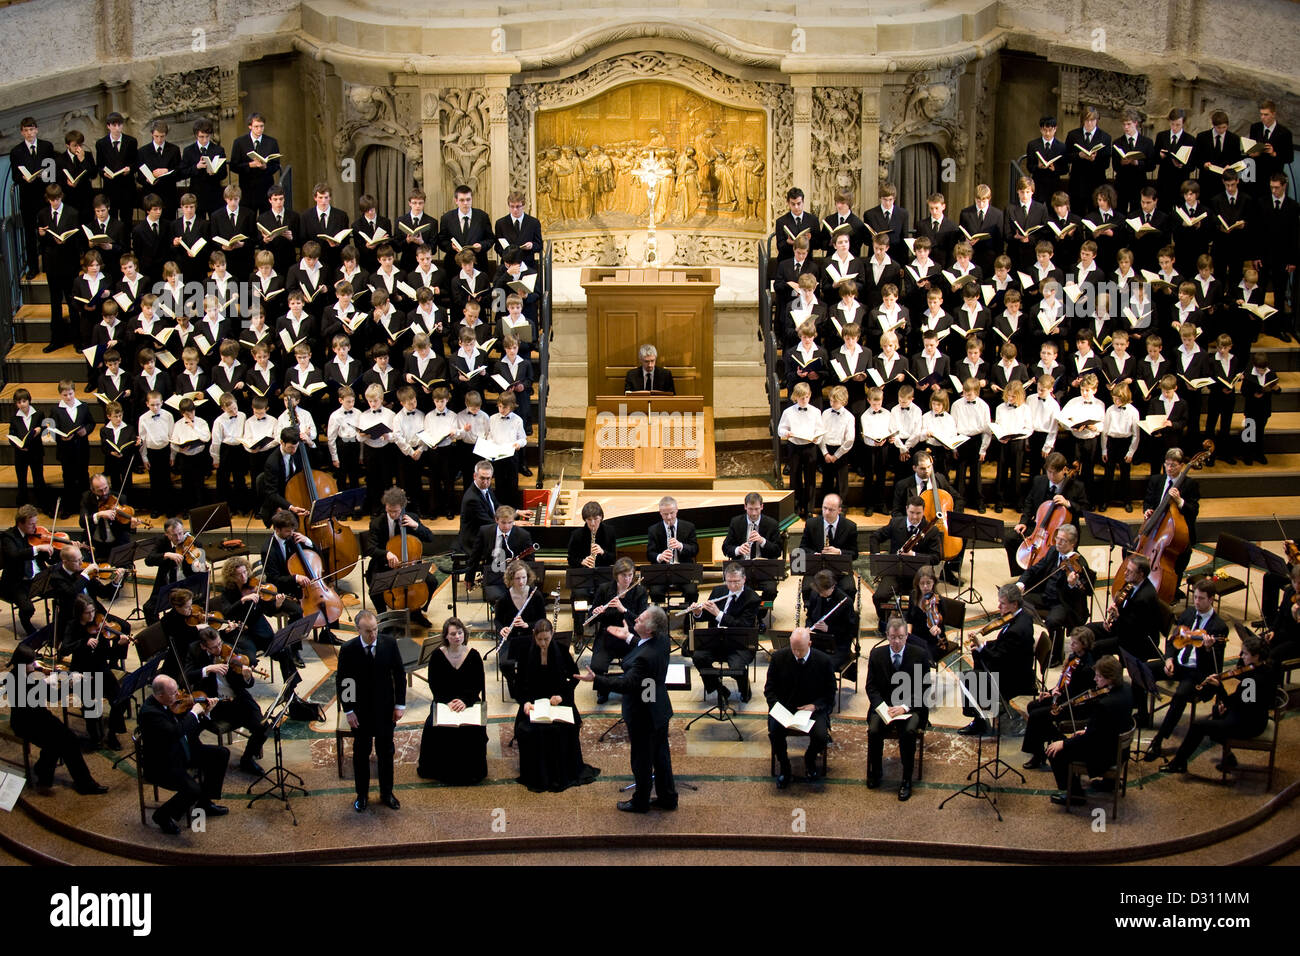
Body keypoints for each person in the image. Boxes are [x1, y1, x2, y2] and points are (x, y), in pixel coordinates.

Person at [579, 605, 677, 812]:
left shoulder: (645, 657)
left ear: (650, 629)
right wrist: (627, 637)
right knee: (661, 756)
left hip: (643, 713)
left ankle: (640, 801)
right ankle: (668, 798)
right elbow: (642, 645)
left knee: (641, 760)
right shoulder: (662, 640)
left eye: (640, 620)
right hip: (659, 708)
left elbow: (626, 684)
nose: (635, 621)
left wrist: (597, 679)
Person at [1159, 635, 1277, 776]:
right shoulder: (1265, 667)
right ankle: (1228, 755)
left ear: (1256, 656)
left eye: (1245, 653)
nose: (1241, 656)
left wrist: (1220, 689)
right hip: (1254, 714)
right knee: (1216, 711)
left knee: (1199, 725)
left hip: (1249, 724)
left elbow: (1245, 706)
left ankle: (1178, 764)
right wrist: (1225, 703)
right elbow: (1244, 700)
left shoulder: (1253, 679)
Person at [1143, 579, 1228, 761]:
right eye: (1195, 597)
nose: (1197, 602)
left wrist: (1206, 648)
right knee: (1143, 668)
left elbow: (1214, 665)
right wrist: (1169, 659)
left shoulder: (1219, 627)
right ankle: (1142, 712)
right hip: (1179, 664)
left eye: (1201, 599)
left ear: (1211, 599)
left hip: (1197, 672)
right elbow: (1173, 639)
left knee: (1180, 695)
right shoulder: (1189, 613)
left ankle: (1158, 740)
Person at [7, 645, 108, 795]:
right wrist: (72, 684)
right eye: (31, 663)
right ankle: (84, 784)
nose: (34, 665)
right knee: (68, 741)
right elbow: (53, 696)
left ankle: (43, 772)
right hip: (27, 723)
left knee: (62, 741)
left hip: (37, 717)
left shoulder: (16, 674)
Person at [513, 619, 599, 793]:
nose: (543, 643)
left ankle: (560, 771)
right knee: (531, 730)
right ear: (534, 637)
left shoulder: (561, 651)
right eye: (540, 640)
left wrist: (561, 696)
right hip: (534, 703)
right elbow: (519, 684)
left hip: (559, 701)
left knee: (561, 729)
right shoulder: (525, 654)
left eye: (546, 639)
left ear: (552, 635)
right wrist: (526, 702)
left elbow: (574, 677)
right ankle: (537, 773)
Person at [138, 674, 230, 834]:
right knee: (193, 790)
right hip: (163, 763)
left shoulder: (171, 703)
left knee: (221, 754)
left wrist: (206, 713)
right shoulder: (150, 713)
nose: (179, 696)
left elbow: (190, 728)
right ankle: (162, 815)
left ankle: (205, 803)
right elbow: (177, 732)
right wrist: (194, 713)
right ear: (160, 695)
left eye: (177, 691)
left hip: (181, 751)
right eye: (173, 693)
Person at [337, 609, 404, 811]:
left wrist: (399, 705)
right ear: (358, 630)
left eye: (375, 629)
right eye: (368, 631)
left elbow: (399, 675)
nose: (373, 635)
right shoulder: (348, 649)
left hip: (385, 709)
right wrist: (348, 711)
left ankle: (386, 792)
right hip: (361, 711)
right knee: (361, 753)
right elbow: (345, 681)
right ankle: (362, 794)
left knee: (386, 752)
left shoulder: (389, 643)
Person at [1045, 656, 1132, 806]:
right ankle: (1109, 783)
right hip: (1120, 749)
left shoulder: (1104, 704)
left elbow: (1090, 740)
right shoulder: (1126, 689)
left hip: (1105, 754)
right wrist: (1087, 730)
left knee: (1055, 752)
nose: (1095, 679)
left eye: (1098, 676)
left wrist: (1064, 744)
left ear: (1110, 679)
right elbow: (1103, 728)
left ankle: (1075, 795)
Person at [184, 627, 267, 775]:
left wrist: (247, 677)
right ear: (204, 646)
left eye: (220, 644)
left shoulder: (229, 649)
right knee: (188, 729)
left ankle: (247, 760)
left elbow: (247, 682)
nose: (219, 648)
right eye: (214, 647)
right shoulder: (194, 650)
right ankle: (198, 761)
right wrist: (208, 669)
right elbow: (188, 676)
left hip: (237, 699)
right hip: (211, 703)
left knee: (263, 727)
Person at [416, 617, 487, 785]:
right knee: (432, 727)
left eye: (460, 633)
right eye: (453, 634)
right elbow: (435, 685)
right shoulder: (437, 656)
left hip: (468, 702)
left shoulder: (474, 655)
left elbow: (477, 684)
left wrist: (464, 701)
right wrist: (447, 701)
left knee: (472, 730)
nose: (457, 637)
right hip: (444, 702)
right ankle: (440, 771)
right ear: (446, 637)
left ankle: (471, 773)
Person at [866, 617, 931, 799]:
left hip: (911, 708)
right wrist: (883, 707)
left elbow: (924, 688)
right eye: (893, 637)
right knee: (874, 730)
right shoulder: (876, 654)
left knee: (908, 733)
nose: (896, 641)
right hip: (884, 707)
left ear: (906, 636)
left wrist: (904, 707)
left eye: (900, 637)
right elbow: (871, 687)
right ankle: (876, 771)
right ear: (887, 635)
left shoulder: (919, 655)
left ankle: (906, 779)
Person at [764, 627, 835, 791]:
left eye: (801, 649)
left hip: (812, 709)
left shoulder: (823, 661)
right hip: (785, 708)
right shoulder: (778, 658)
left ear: (809, 643)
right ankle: (785, 766)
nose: (797, 653)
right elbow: (770, 689)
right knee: (775, 732)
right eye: (794, 649)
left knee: (821, 736)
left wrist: (815, 706)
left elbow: (830, 693)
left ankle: (810, 759)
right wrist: (777, 708)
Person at [962, 585, 1037, 735]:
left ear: (1014, 604)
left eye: (1002, 603)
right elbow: (1004, 647)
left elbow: (1000, 659)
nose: (998, 606)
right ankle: (985, 706)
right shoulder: (1024, 616)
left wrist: (982, 649)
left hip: (1013, 677)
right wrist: (982, 645)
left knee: (967, 678)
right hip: (1017, 666)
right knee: (978, 656)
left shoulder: (1016, 630)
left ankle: (980, 720)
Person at [1016, 523, 1094, 665]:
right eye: (1057, 538)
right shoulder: (1053, 551)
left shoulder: (1079, 564)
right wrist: (1021, 583)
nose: (1058, 542)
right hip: (1046, 595)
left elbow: (1084, 592)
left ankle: (1056, 655)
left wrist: (1072, 584)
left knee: (1053, 620)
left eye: (1062, 541)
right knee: (1018, 601)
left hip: (1063, 602)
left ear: (1073, 543)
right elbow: (1035, 569)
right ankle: (1024, 641)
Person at [1022, 627, 1097, 769]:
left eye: (1074, 643)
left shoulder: (1087, 667)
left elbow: (1077, 692)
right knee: (1033, 706)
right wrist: (1051, 692)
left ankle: (1040, 754)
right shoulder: (1073, 657)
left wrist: (1058, 695)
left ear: (1084, 644)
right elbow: (1064, 682)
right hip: (1064, 696)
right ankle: (1044, 742)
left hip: (1075, 705)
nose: (1071, 645)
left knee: (1037, 716)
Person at [1003, 451, 1089, 574]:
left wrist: (1068, 504)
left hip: (1061, 533)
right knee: (1010, 538)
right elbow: (1029, 502)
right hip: (1040, 528)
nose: (1051, 476)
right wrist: (1024, 522)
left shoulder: (1077, 486)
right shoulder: (1039, 480)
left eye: (1055, 473)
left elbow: (1085, 509)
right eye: (1049, 472)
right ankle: (1024, 572)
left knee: (1052, 552)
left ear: (1064, 469)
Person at [690, 561, 762, 702]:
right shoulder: (718, 591)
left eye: (737, 582)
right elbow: (705, 616)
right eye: (729, 582)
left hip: (739, 644)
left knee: (737, 668)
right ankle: (719, 688)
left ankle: (744, 689)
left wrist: (718, 614)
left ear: (744, 579)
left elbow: (743, 626)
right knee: (698, 657)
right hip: (715, 641)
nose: (733, 586)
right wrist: (698, 612)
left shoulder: (752, 598)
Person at [365, 487, 437, 624]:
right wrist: (386, 553)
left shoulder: (411, 518)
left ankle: (416, 610)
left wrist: (416, 526)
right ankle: (384, 618)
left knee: (432, 581)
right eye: (389, 511)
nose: (392, 514)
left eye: (396, 511)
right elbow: (370, 548)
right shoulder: (377, 523)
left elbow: (430, 538)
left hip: (410, 564)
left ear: (402, 507)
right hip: (385, 565)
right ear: (385, 506)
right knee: (375, 590)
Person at [587, 557, 649, 703]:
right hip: (607, 635)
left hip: (629, 636)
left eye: (630, 575)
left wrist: (624, 610)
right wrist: (597, 613)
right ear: (616, 575)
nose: (628, 579)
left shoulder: (640, 592)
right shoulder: (604, 589)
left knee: (637, 664)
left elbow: (641, 620)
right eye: (624, 576)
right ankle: (603, 690)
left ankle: (629, 687)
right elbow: (591, 618)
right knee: (597, 666)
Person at [1142, 446, 1201, 583]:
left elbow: (1193, 512)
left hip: (1178, 533)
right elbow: (1148, 501)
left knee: (1181, 556)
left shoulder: (1190, 484)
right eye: (1167, 464)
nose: (1169, 468)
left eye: (1173, 465)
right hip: (1156, 526)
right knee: (1131, 549)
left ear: (1181, 465)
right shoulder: (1156, 480)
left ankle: (1172, 586)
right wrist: (1147, 510)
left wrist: (1180, 501)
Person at [2, 506, 55, 635]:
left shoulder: (35, 536)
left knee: (62, 590)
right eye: (31, 524)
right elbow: (14, 555)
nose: (35, 527)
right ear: (20, 523)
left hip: (38, 577)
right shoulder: (8, 537)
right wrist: (37, 549)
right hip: (18, 582)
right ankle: (27, 626)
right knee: (27, 608)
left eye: (36, 523)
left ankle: (55, 626)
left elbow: (49, 559)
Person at [798, 493, 859, 598]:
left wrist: (839, 552)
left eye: (831, 510)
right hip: (816, 568)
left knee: (849, 588)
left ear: (839, 510)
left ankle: (842, 613)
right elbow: (802, 548)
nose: (826, 512)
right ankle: (812, 613)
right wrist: (815, 555)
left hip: (840, 570)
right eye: (824, 508)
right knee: (807, 588)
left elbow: (854, 553)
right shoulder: (811, 524)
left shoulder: (850, 527)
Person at [646, 496, 700, 605]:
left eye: (672, 513)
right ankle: (660, 618)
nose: (669, 517)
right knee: (655, 592)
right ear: (660, 513)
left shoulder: (689, 527)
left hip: (683, 571)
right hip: (662, 572)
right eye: (665, 514)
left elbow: (695, 549)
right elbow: (649, 554)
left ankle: (687, 617)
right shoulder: (653, 530)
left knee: (692, 591)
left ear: (677, 511)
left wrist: (681, 546)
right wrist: (659, 556)